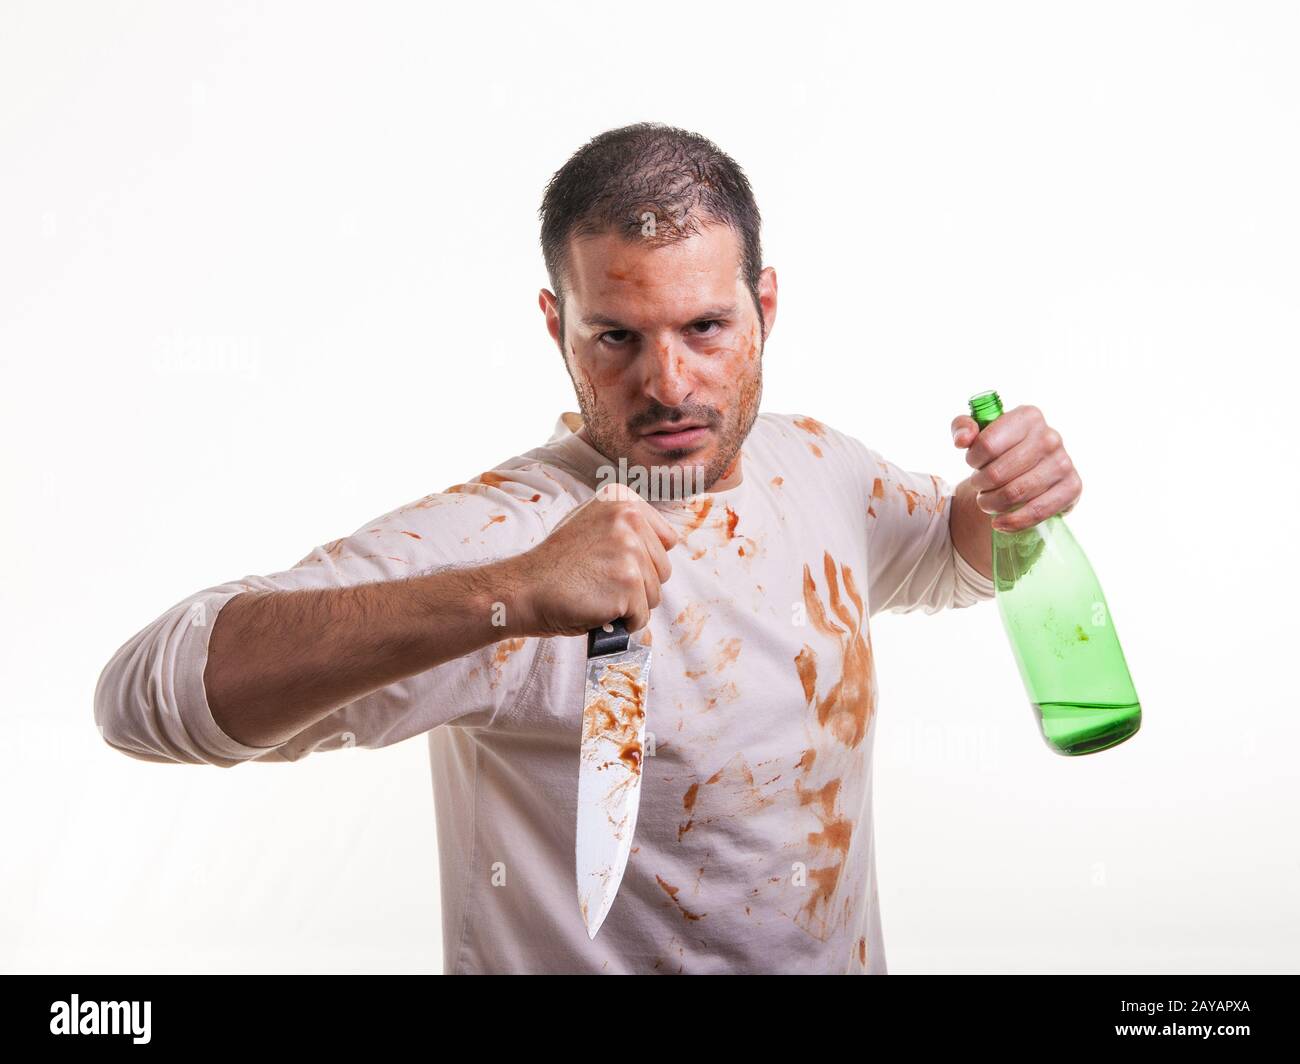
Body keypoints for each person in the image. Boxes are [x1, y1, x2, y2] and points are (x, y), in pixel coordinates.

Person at [94, 121, 1082, 974]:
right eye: (615, 336)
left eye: (705, 326)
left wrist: (1004, 503)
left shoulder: (817, 465)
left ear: (764, 307)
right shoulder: (504, 534)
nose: (669, 384)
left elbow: (949, 554)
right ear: (555, 325)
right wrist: (514, 593)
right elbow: (145, 695)